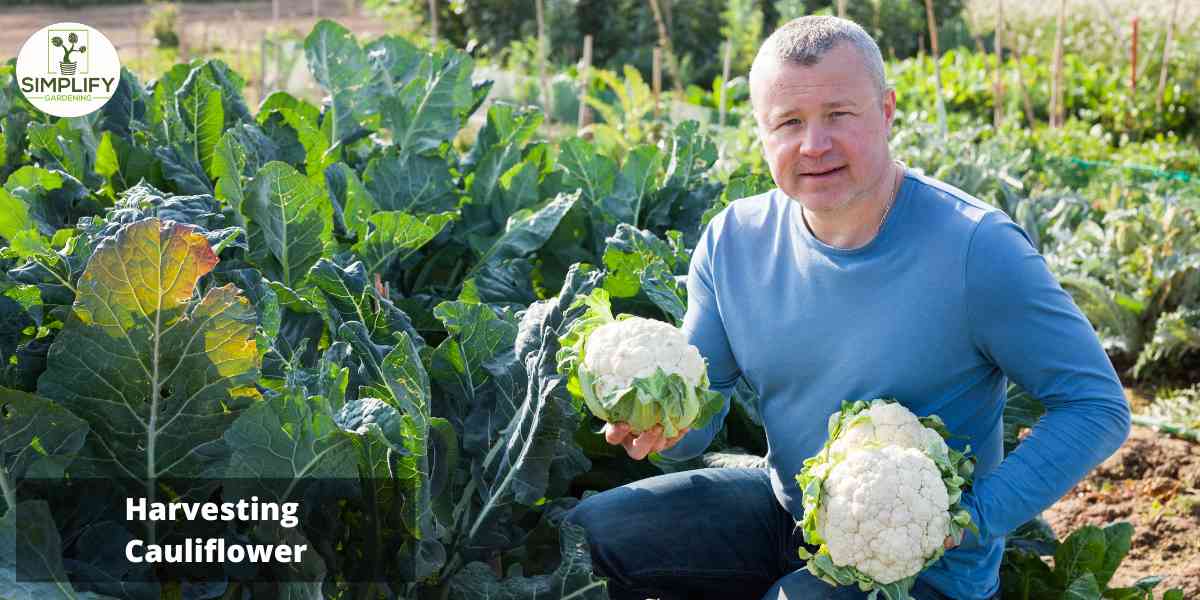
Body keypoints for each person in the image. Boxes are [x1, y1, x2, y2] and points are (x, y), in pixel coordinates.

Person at [564, 15, 1131, 600]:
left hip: (918, 567)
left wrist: (971, 518)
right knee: (589, 538)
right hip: (788, 509)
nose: (814, 145)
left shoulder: (975, 248)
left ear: (885, 111)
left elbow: (1096, 405)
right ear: (761, 132)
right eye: (789, 123)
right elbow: (699, 420)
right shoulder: (733, 240)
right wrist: (663, 425)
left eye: (839, 114)